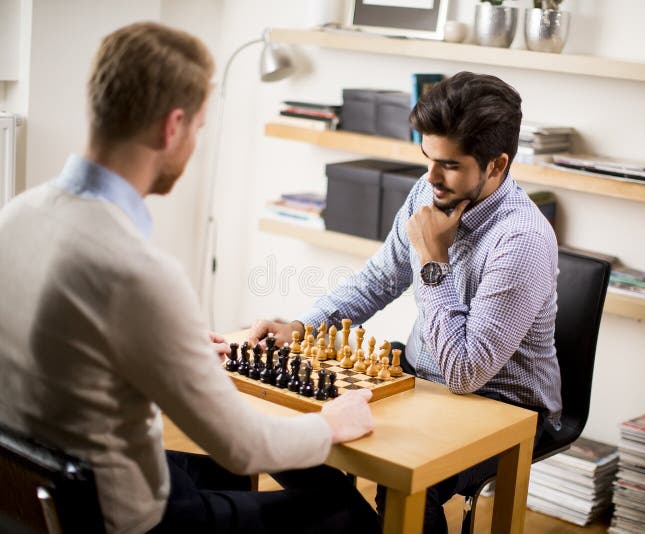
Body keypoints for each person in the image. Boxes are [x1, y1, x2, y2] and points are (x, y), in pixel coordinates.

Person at [0, 22, 379, 534]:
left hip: (37, 494)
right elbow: (245, 447)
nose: (196, 142)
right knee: (343, 511)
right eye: (199, 128)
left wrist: (162, 346)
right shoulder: (138, 272)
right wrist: (329, 422)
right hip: (125, 518)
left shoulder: (15, 216)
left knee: (215, 472)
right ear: (171, 127)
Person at [248, 71, 562, 533]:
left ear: (496, 165)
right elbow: (378, 279)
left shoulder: (523, 240)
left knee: (410, 480)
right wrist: (302, 327)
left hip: (501, 402)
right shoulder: (428, 189)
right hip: (422, 377)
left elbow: (466, 373)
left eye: (450, 165)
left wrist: (434, 260)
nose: (431, 176)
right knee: (288, 425)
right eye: (427, 157)